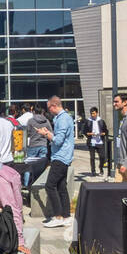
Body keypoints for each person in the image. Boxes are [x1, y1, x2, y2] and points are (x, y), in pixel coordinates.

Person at [42, 96, 75, 227]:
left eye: (49, 108)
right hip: (64, 156)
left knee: (50, 186)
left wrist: (46, 134)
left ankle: (58, 216)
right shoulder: (64, 118)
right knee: (61, 187)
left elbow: (58, 140)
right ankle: (66, 215)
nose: (49, 111)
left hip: (60, 157)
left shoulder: (62, 119)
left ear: (54, 106)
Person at [22, 104, 52, 188]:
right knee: (41, 166)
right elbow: (50, 132)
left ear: (33, 111)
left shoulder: (31, 121)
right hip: (43, 145)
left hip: (32, 146)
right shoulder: (46, 121)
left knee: (28, 166)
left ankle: (26, 184)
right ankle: (39, 184)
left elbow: (27, 132)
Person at [84, 107, 109, 176]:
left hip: (99, 141)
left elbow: (106, 131)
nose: (92, 115)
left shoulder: (101, 121)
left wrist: (103, 133)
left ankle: (101, 168)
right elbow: (85, 131)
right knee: (92, 157)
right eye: (91, 113)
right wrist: (89, 134)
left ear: (97, 113)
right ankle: (93, 171)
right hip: (92, 141)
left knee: (102, 156)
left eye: (94, 113)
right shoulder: (88, 121)